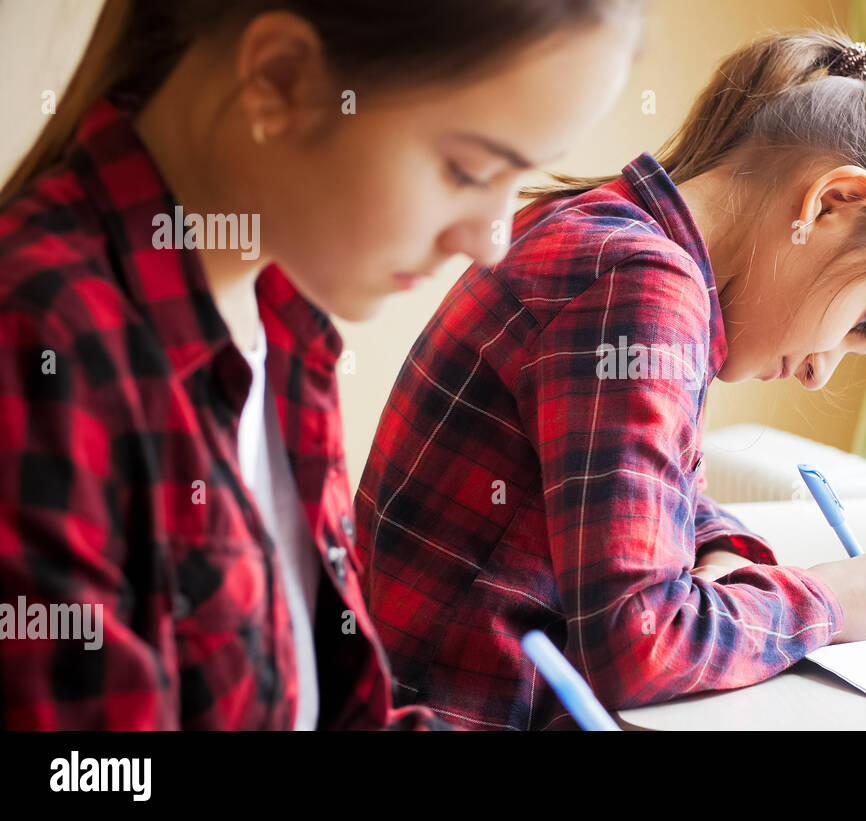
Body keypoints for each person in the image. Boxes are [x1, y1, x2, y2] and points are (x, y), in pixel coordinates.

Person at [0, 0, 643, 730]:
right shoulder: (41, 345)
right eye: (468, 170)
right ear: (282, 79)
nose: (492, 241)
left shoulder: (284, 320)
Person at [354, 30, 866, 730]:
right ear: (828, 204)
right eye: (863, 323)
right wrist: (825, 602)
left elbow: (659, 489)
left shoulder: (605, 232)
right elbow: (638, 643)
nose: (818, 371)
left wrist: (722, 548)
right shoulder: (642, 288)